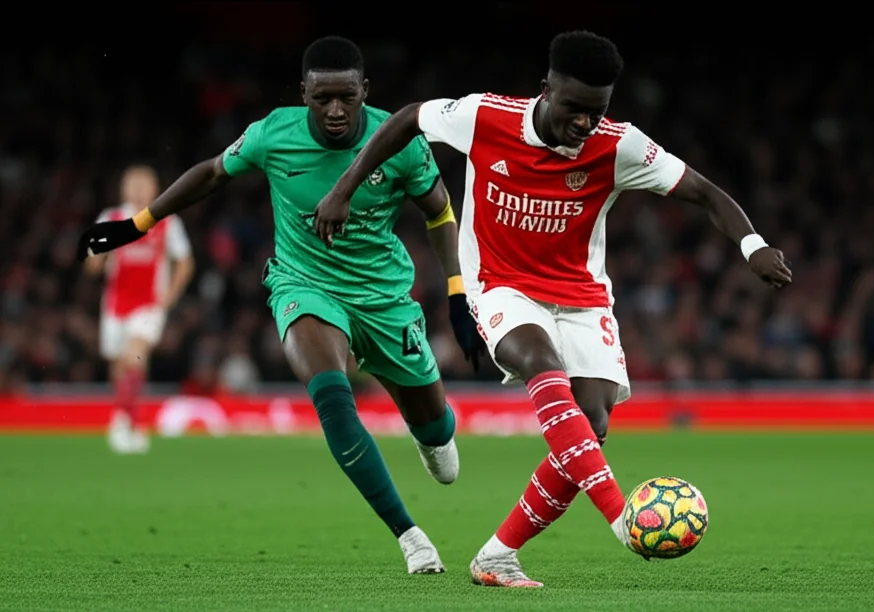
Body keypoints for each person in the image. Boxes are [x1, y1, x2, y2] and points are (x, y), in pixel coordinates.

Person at [314, 30, 793, 587]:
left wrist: (752, 246)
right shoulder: (483, 117)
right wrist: (346, 186)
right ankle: (622, 519)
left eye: (597, 111)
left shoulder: (620, 146)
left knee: (590, 425)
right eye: (573, 108)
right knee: (539, 359)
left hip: (584, 297)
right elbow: (407, 118)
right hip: (500, 286)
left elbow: (706, 192)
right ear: (545, 89)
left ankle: (496, 556)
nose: (584, 124)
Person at [77, 36, 485, 574]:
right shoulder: (275, 133)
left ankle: (430, 437)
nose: (335, 110)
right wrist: (138, 224)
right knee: (333, 399)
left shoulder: (400, 141)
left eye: (347, 97)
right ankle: (409, 535)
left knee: (440, 439)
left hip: (384, 299)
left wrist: (457, 292)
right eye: (322, 98)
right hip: (303, 285)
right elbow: (212, 173)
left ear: (366, 90)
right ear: (304, 93)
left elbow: (439, 212)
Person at [84, 165, 194, 454]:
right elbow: (93, 261)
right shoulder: (111, 218)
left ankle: (121, 424)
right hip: (115, 304)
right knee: (120, 366)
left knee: (135, 354)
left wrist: (169, 295)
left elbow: (185, 262)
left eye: (144, 183)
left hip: (148, 304)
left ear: (155, 188)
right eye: (132, 183)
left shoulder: (167, 221)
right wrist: (94, 260)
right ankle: (131, 421)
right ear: (123, 188)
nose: (138, 189)